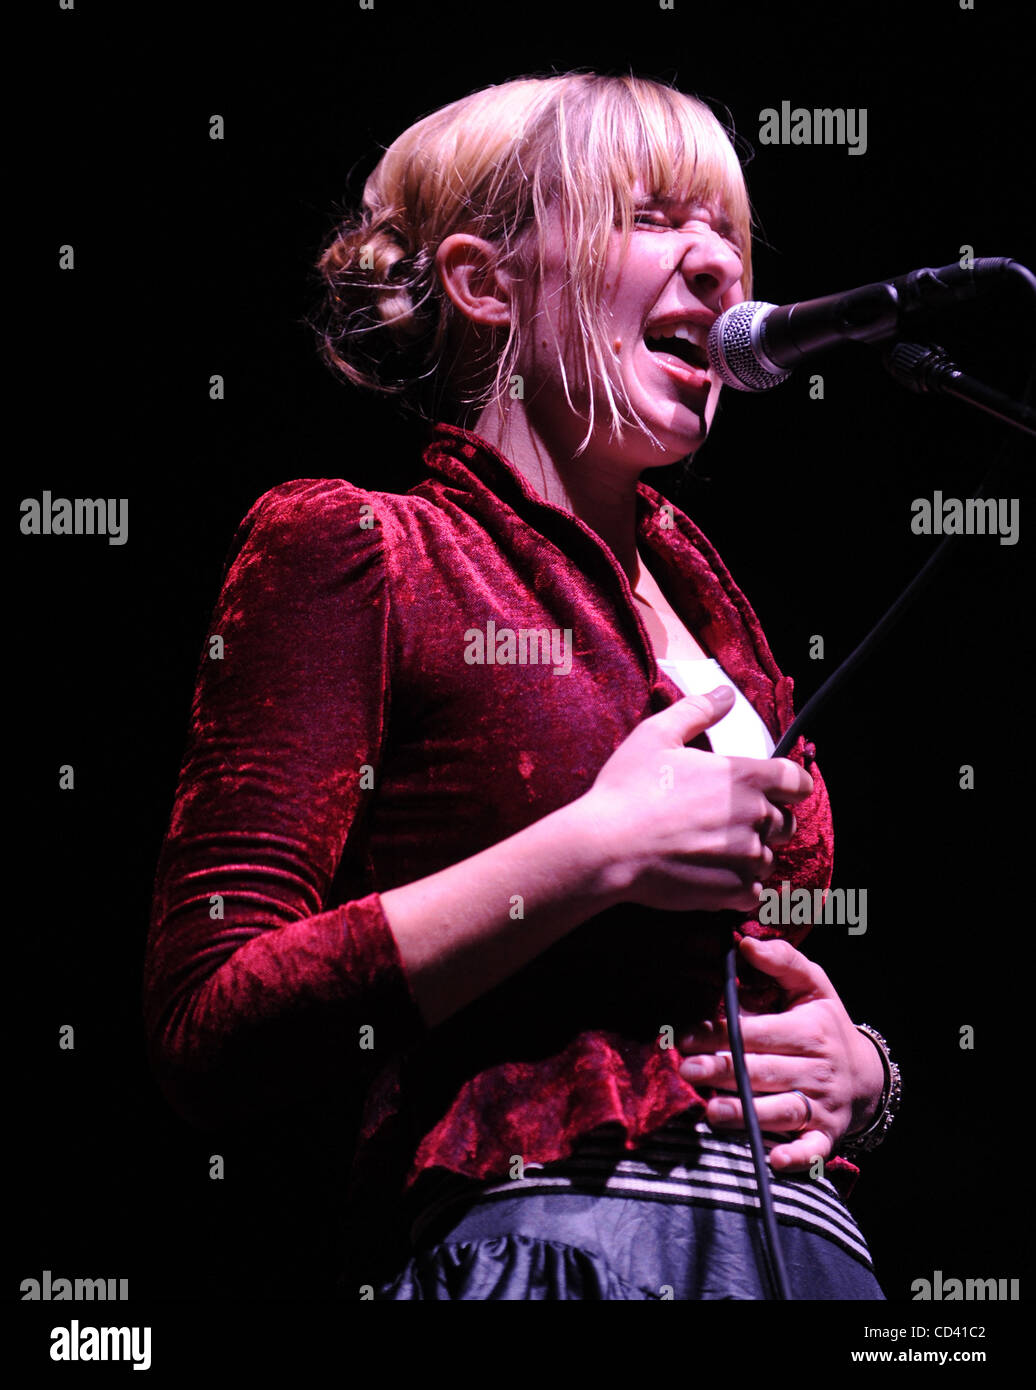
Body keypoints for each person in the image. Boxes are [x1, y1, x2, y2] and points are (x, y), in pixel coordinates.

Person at [143, 71, 900, 1300]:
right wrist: (588, 849)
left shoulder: (720, 618)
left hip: (803, 1259)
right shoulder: (363, 549)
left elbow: (735, 982)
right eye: (651, 217)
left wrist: (862, 1074)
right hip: (557, 1252)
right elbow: (209, 1024)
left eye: (726, 230)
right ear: (484, 282)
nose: (717, 265)